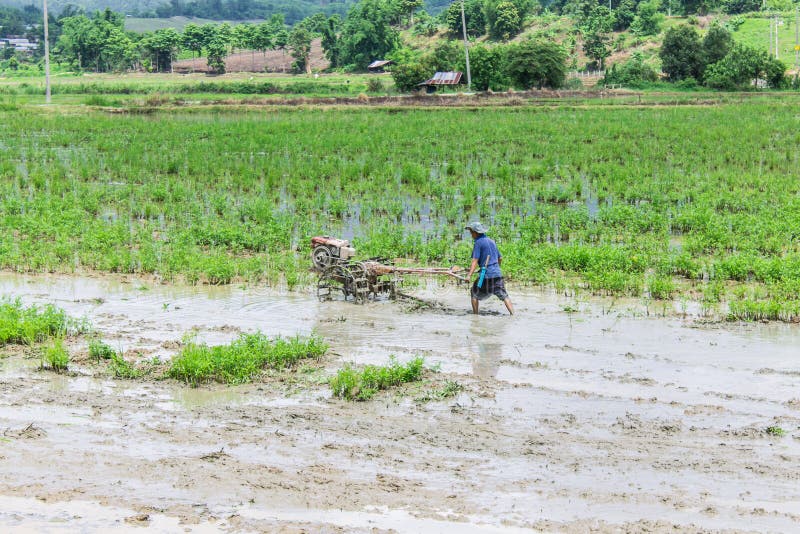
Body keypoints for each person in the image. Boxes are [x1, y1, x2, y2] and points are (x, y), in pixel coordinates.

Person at [465, 222, 514, 315]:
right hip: (497, 273)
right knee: (504, 295)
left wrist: (469, 275)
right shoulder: (491, 241)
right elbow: (500, 258)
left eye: (471, 232)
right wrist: (496, 269)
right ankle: (513, 314)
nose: (471, 235)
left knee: (474, 292)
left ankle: (475, 316)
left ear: (475, 232)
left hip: (486, 275)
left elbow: (475, 260)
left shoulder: (478, 243)